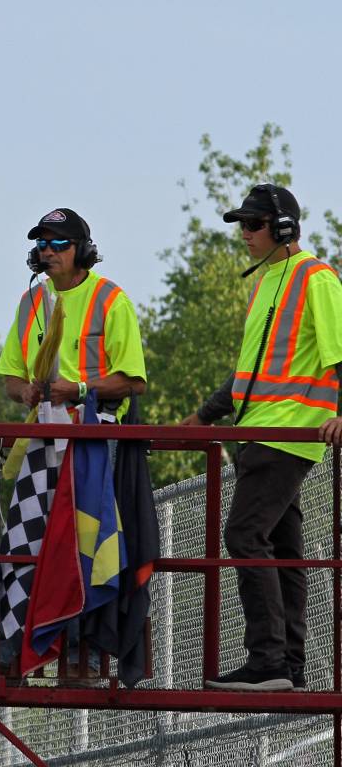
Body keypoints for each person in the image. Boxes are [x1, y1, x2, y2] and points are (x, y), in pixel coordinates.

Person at [0, 207, 147, 685]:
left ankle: (83, 660)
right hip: (42, 441)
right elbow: (10, 378)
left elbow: (133, 381)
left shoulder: (110, 299)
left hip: (94, 444)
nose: (47, 251)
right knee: (19, 544)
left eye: (58, 243)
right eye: (41, 243)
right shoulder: (30, 302)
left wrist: (77, 390)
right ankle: (8, 658)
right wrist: (29, 392)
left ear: (83, 249)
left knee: (83, 547)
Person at [181, 184, 342, 692]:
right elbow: (250, 374)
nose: (245, 234)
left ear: (285, 229)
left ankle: (268, 661)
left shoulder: (316, 277)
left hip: (288, 432)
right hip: (262, 436)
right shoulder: (269, 280)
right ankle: (289, 667)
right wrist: (203, 416)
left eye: (253, 225)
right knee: (282, 547)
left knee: (244, 536)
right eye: (241, 225)